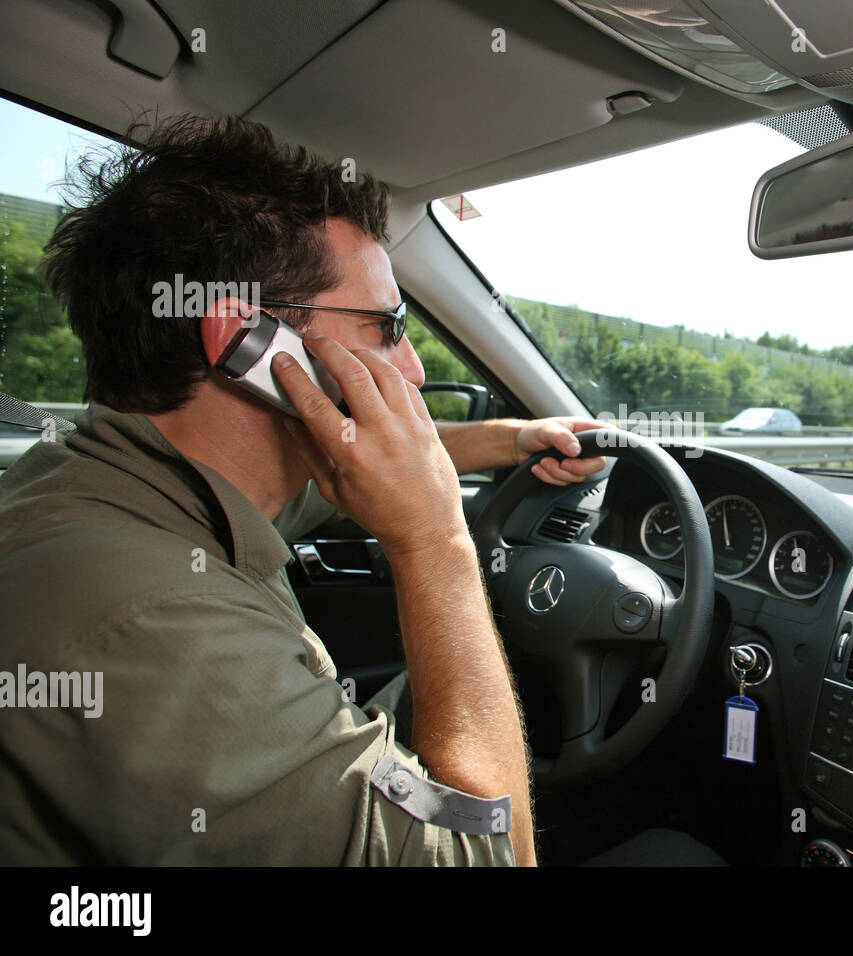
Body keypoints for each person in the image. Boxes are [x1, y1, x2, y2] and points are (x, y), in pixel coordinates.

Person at [0, 115, 607, 865]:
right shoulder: (154, 624)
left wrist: (508, 441)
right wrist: (437, 541)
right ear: (247, 344)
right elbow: (495, 855)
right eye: (388, 325)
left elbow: (355, 472)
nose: (414, 368)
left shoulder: (118, 482)